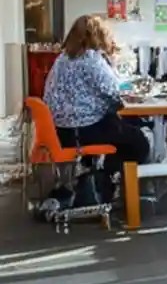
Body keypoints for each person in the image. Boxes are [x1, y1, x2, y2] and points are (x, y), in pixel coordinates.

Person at [42, 14, 150, 174]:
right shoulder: (91, 58)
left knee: (122, 127)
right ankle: (107, 179)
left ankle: (95, 174)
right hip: (83, 131)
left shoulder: (62, 59)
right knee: (139, 143)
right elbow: (114, 90)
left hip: (61, 132)